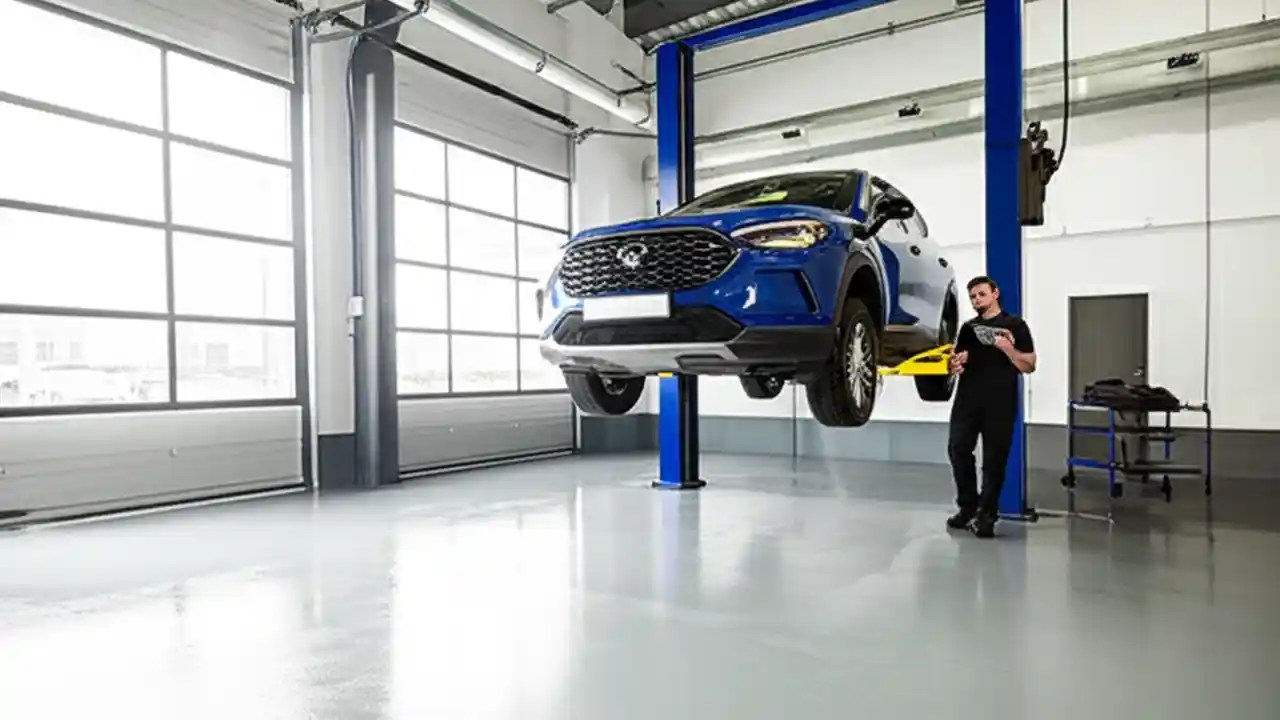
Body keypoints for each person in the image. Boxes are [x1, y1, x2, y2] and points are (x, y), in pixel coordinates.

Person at [946, 275, 1037, 538]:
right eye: (973, 297)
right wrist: (956, 364)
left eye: (981, 294)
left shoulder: (1015, 325)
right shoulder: (968, 328)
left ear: (995, 293)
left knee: (994, 460)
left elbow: (1029, 365)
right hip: (968, 400)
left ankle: (986, 516)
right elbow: (958, 363)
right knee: (957, 449)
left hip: (1000, 402)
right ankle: (967, 508)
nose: (977, 300)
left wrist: (1007, 348)